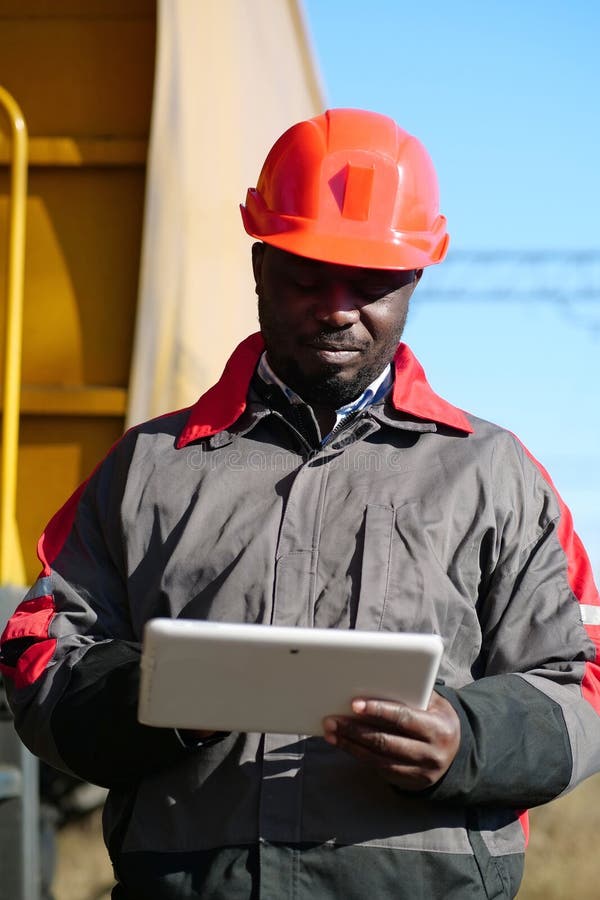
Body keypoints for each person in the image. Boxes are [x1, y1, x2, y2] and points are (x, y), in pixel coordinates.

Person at [1, 108, 599, 900]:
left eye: (372, 283)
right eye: (308, 277)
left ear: (416, 278)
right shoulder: (145, 469)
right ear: (260, 266)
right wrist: (161, 700)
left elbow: (582, 673)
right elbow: (39, 648)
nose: (338, 307)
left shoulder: (495, 475)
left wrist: (466, 741)